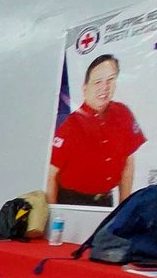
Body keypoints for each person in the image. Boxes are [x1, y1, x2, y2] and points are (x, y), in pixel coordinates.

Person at [48, 54, 146, 207]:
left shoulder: (123, 113)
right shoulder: (69, 126)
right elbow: (51, 175)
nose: (104, 87)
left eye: (110, 80)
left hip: (106, 201)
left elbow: (128, 161)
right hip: (72, 202)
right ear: (85, 88)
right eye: (98, 82)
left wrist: (123, 207)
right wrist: (53, 215)